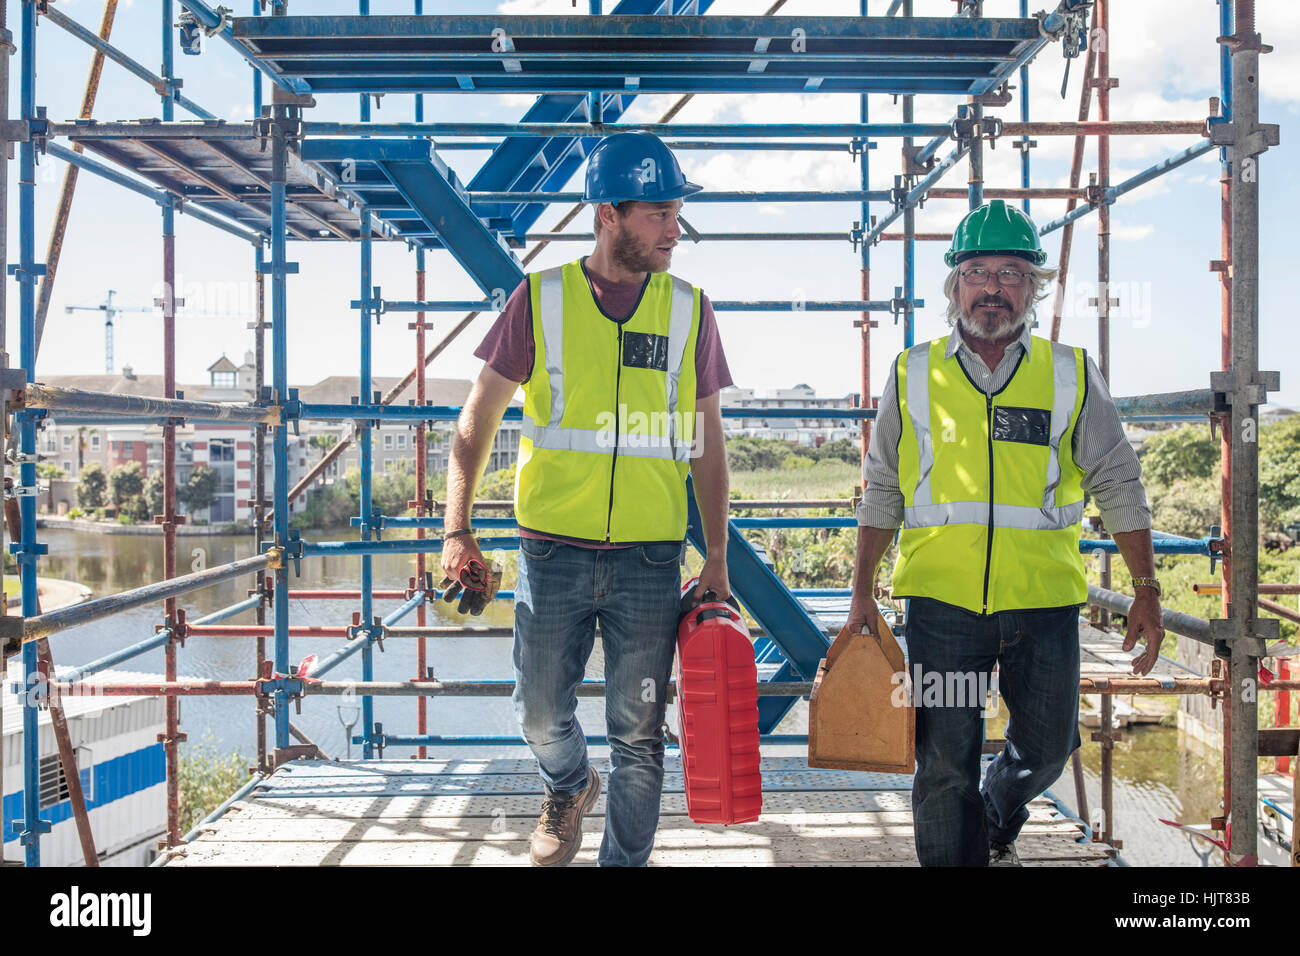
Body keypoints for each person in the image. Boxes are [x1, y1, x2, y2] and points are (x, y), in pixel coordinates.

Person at [441, 130, 733, 867]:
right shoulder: (540, 299)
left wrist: (719, 553)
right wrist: (457, 527)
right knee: (538, 713)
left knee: (639, 732)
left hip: (648, 560)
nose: (677, 230)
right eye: (660, 214)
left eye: (676, 213)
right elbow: (478, 417)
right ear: (609, 214)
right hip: (554, 553)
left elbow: (708, 443)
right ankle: (570, 782)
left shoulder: (690, 310)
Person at [845, 199, 1165, 867]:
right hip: (943, 609)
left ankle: (996, 810)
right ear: (955, 284)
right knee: (942, 764)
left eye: (1012, 273)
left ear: (1034, 287)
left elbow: (1119, 481)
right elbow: (882, 486)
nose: (992, 287)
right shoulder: (911, 372)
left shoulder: (1069, 372)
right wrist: (862, 592)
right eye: (977, 271)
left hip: (1042, 604)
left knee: (1048, 745)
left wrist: (1146, 588)